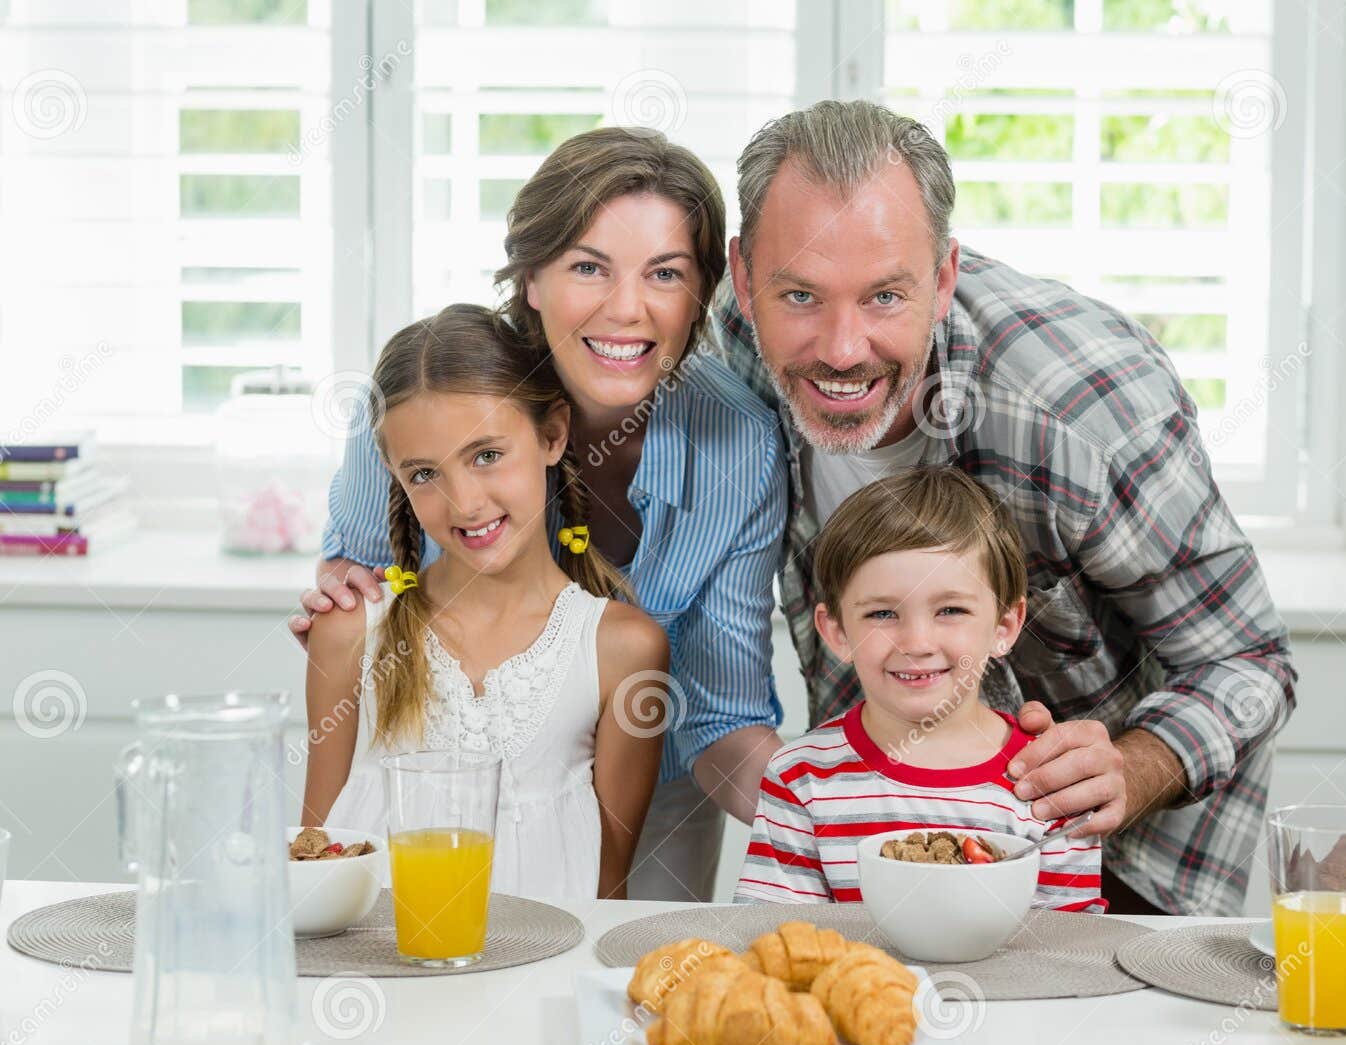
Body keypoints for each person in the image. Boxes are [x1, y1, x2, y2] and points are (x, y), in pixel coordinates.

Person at [713, 100, 1298, 917]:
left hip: (1110, 849)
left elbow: (1247, 662)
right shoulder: (722, 349)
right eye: (801, 296)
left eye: (885, 297)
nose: (842, 348)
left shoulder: (1084, 412)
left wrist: (1133, 766)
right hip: (874, 844)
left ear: (945, 274)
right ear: (744, 278)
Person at [293, 128, 786, 901]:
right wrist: (340, 618)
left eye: (665, 273)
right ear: (530, 277)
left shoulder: (742, 445)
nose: (627, 310)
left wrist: (836, 818)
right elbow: (364, 584)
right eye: (589, 267)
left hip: (651, 801)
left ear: (704, 294)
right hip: (425, 808)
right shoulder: (423, 399)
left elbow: (721, 711)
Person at [301, 303, 666, 900]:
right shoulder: (349, 633)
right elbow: (315, 858)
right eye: (423, 474)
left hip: (544, 978)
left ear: (552, 435)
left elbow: (609, 888)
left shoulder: (622, 649)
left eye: (487, 456)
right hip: (379, 983)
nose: (465, 503)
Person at [735, 467, 1106, 912]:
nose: (915, 644)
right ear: (836, 632)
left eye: (950, 609)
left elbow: (1066, 951)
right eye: (882, 614)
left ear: (1004, 626)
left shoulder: (1051, 779)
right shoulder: (800, 776)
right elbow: (778, 943)